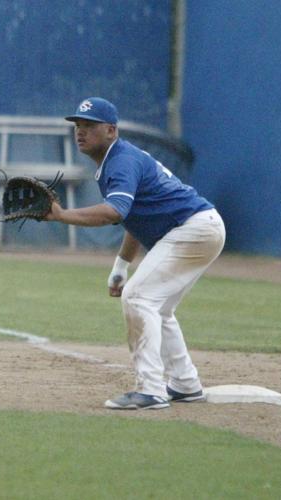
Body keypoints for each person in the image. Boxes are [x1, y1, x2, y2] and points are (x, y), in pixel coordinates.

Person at [46, 97, 225, 410]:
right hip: (199, 228)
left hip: (193, 229)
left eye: (90, 125)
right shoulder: (116, 161)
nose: (80, 132)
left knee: (139, 297)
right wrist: (121, 266)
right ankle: (184, 384)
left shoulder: (121, 161)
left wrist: (62, 215)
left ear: (112, 130)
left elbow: (114, 213)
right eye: (78, 125)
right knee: (159, 308)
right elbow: (134, 219)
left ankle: (151, 390)